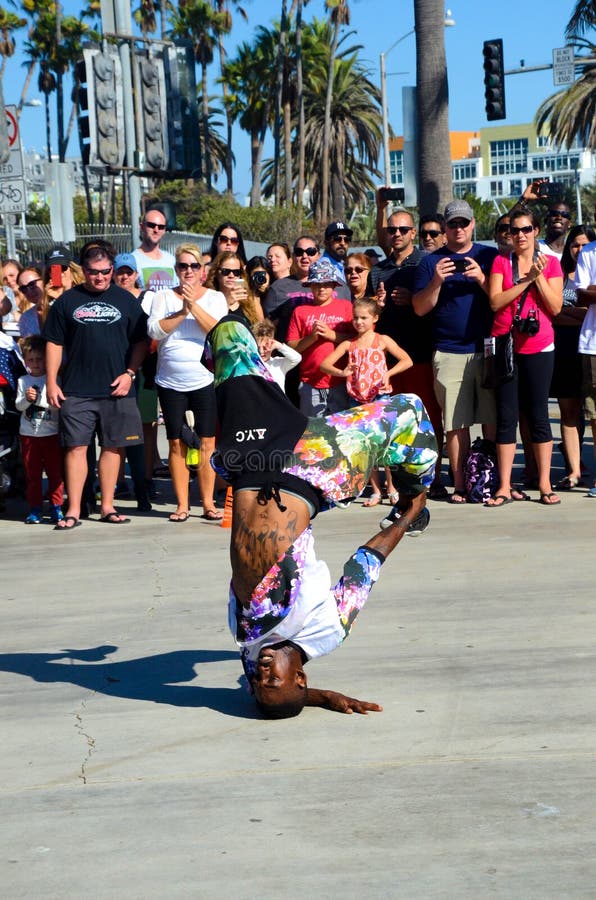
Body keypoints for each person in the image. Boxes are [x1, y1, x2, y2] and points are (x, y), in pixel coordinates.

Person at [202, 316, 438, 717]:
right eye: (271, 680)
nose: (260, 676)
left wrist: (322, 697)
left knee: (229, 332)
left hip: (252, 456)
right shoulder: (327, 631)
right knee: (409, 412)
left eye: (257, 684)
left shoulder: (252, 648)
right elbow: (365, 565)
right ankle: (414, 496)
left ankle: (265, 378)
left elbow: (273, 686)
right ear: (299, 677)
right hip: (311, 466)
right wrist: (407, 514)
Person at [44, 240, 148, 530]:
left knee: (113, 448)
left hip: (117, 389)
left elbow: (141, 341)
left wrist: (130, 373)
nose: (100, 277)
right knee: (75, 448)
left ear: (112, 269)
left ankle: (107, 506)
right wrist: (51, 382)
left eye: (105, 271)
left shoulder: (126, 300)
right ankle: (74, 509)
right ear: (84, 270)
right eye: (93, 272)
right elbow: (54, 343)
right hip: (76, 389)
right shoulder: (66, 301)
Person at [413, 199, 497, 503]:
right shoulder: (429, 263)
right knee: (455, 422)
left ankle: (490, 481)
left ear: (473, 224)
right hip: (448, 351)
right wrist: (437, 280)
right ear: (445, 228)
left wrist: (482, 279)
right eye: (453, 224)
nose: (458, 228)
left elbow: (501, 300)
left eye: (463, 223)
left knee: (491, 418)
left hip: (487, 349)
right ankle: (460, 484)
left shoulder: (489, 256)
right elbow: (420, 308)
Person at [486, 209, 563, 507]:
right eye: (514, 230)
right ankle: (504, 486)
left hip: (539, 346)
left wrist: (538, 278)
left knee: (539, 415)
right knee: (507, 417)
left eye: (526, 229)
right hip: (506, 345)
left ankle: (544, 483)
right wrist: (525, 281)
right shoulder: (501, 261)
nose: (520, 235)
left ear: (536, 231)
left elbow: (555, 307)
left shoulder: (551, 263)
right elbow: (495, 301)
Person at [370, 209, 447, 499]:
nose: (397, 234)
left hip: (419, 354)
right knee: (393, 422)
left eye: (403, 229)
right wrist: (377, 305)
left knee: (427, 419)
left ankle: (433, 476)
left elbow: (436, 304)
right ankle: (402, 481)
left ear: (413, 233)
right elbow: (369, 315)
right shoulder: (378, 271)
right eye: (392, 230)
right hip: (388, 362)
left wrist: (412, 299)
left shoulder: (426, 263)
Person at [148, 243, 227, 522]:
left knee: (207, 442)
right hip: (170, 382)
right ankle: (182, 505)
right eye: (183, 266)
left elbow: (219, 330)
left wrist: (194, 306)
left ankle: (207, 503)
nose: (189, 271)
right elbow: (154, 330)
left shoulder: (215, 297)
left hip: (204, 379)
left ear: (203, 271)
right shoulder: (162, 296)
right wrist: (182, 311)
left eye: (194, 266)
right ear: (176, 269)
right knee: (176, 443)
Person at [320, 297, 413, 508]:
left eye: (364, 318)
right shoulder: (349, 344)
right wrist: (342, 372)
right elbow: (325, 365)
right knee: (366, 447)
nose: (359, 322)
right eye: (355, 318)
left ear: (375, 318)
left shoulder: (382, 340)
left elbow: (407, 360)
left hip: (380, 397)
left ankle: (392, 488)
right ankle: (376, 491)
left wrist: (388, 374)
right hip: (357, 399)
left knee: (385, 445)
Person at [551, 225, 595, 489]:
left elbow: (569, 311)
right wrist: (582, 312)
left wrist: (572, 312)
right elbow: (554, 312)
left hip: (589, 345)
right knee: (568, 412)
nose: (579, 249)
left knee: (590, 413)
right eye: (574, 245)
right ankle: (574, 470)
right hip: (565, 350)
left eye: (584, 244)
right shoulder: (559, 274)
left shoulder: (592, 269)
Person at [286, 259, 353, 416]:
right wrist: (312, 337)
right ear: (310, 285)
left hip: (341, 380)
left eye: (326, 284)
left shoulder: (346, 306)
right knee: (313, 429)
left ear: (334, 285)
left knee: (342, 427)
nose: (321, 288)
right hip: (310, 383)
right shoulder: (300, 311)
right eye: (317, 284)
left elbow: (357, 340)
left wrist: (332, 335)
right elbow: (291, 347)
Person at [15, 335, 64, 525]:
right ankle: (35, 508)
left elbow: (57, 406)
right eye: (31, 359)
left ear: (47, 359)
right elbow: (19, 406)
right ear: (25, 361)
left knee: (55, 474)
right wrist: (27, 399)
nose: (35, 363)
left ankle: (56, 506)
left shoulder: (54, 379)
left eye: (39, 359)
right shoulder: (23, 380)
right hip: (29, 435)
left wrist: (40, 399)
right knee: (33, 475)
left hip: (51, 434)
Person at [574, 237, 596, 497]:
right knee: (595, 415)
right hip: (593, 345)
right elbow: (581, 294)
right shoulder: (589, 252)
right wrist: (589, 291)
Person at [206, 252, 263, 326]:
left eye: (236, 272)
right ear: (216, 273)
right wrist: (227, 303)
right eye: (225, 271)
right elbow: (208, 327)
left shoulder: (251, 300)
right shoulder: (207, 298)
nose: (231, 275)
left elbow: (262, 329)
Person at [133, 206, 177, 291]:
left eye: (161, 227)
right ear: (142, 227)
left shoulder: (171, 260)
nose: (156, 230)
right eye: (151, 225)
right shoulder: (133, 260)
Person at [252, 318, 301, 392]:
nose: (261, 351)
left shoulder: (278, 363)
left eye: (265, 348)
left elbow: (297, 358)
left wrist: (279, 346)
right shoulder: (250, 364)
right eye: (258, 348)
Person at [320, 221, 353, 295]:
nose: (342, 243)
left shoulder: (345, 264)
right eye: (337, 239)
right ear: (326, 242)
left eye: (346, 239)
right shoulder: (322, 267)